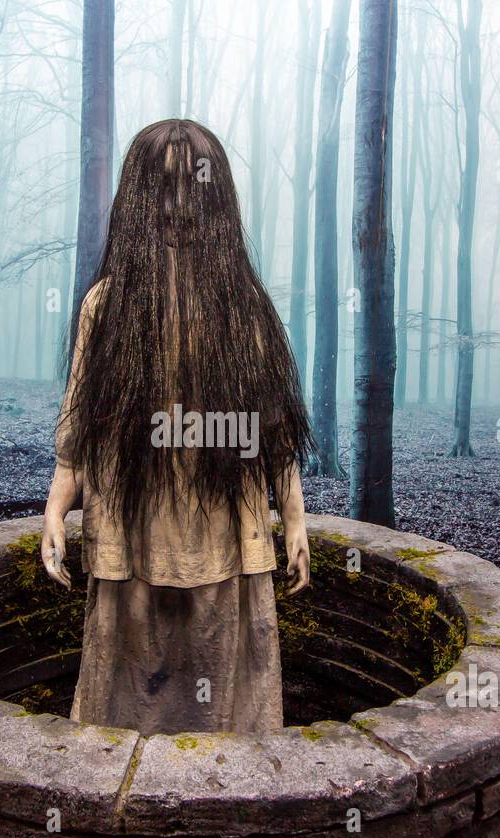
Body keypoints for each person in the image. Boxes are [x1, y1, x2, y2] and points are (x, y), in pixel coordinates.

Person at [41, 119, 313, 735]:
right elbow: (78, 426)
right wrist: (57, 507)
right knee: (126, 687)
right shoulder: (105, 306)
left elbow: (275, 434)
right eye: (164, 188)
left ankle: (222, 797)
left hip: (220, 523)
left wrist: (294, 517)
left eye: (194, 185)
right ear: (141, 198)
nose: (178, 204)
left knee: (223, 683)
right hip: (131, 529)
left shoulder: (243, 307)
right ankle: (122, 799)